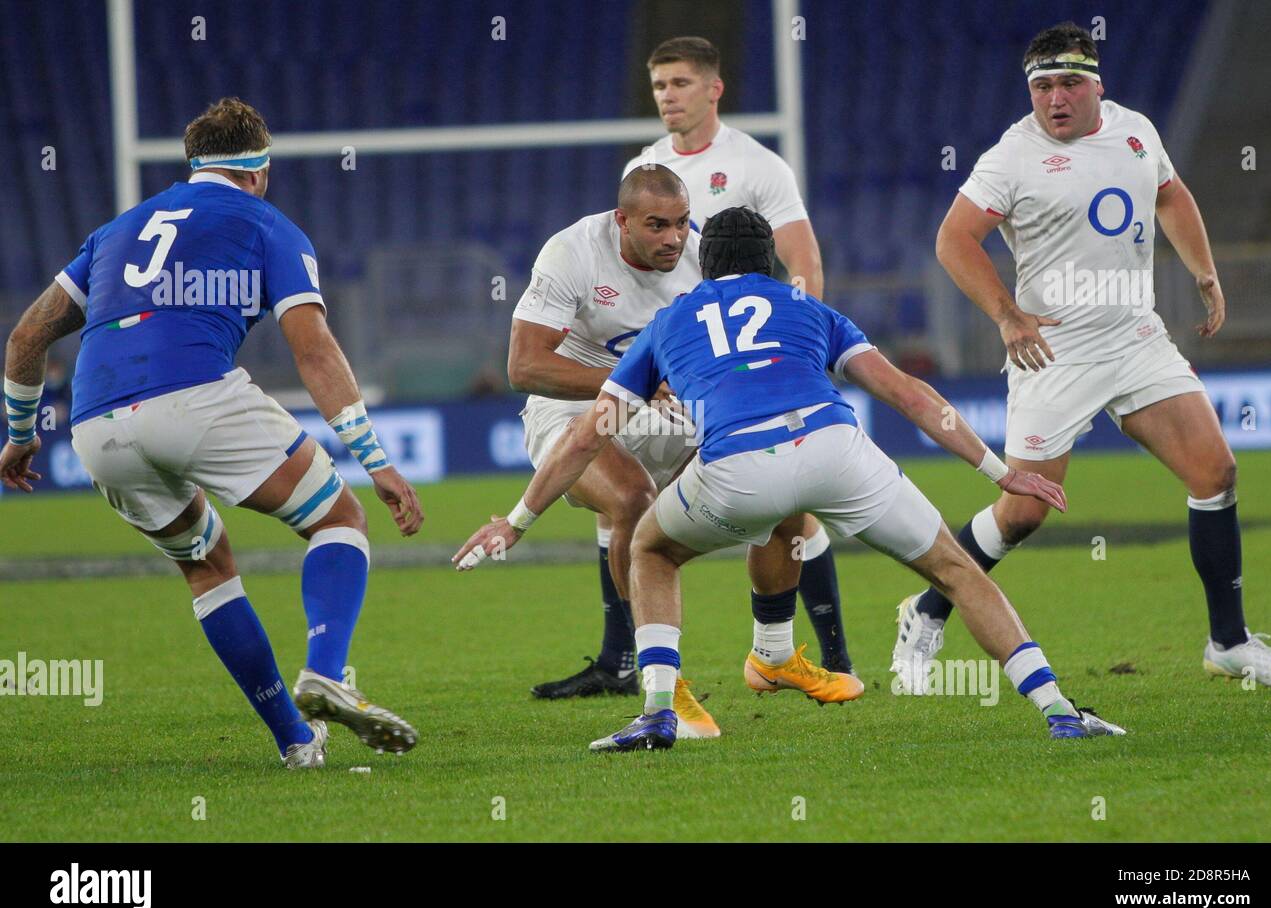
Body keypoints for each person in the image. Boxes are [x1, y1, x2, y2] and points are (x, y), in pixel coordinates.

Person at [456, 207, 1125, 751]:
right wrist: (1004, 472)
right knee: (956, 569)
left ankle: (659, 709)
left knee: (651, 548)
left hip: (738, 467)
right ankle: (1059, 707)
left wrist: (516, 520)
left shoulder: (669, 321)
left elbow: (587, 432)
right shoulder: (811, 309)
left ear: (703, 259)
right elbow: (910, 395)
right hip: (838, 452)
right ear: (771, 259)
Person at [0, 98, 425, 768]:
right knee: (338, 519)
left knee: (206, 566)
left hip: (93, 424)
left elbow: (26, 336)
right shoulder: (266, 222)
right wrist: (377, 462)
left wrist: (20, 434)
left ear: (194, 164)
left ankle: (295, 742)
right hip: (192, 393)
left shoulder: (117, 230)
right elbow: (313, 349)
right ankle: (325, 671)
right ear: (257, 170)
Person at [891, 22, 1271, 690]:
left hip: (1135, 337)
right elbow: (954, 239)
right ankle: (928, 606)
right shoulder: (1010, 157)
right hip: (1054, 351)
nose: (1055, 98)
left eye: (1068, 84)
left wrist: (1203, 271)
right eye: (1042, 86)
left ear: (1097, 85)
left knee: (1215, 471)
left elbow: (1170, 193)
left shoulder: (1135, 131)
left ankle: (1229, 641)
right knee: (1023, 510)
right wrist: (1007, 315)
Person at [623, 35, 854, 675]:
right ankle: (625, 661)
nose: (667, 96)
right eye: (659, 85)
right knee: (626, 497)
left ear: (714, 88)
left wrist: (797, 352)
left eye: (680, 83)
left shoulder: (756, 167)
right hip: (673, 368)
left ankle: (826, 655)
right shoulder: (644, 169)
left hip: (740, 370)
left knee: (788, 508)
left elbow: (802, 262)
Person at [505, 164, 720, 737]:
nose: (673, 238)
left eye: (681, 223)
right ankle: (657, 678)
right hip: (568, 408)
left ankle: (781, 655)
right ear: (621, 221)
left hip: (658, 404)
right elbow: (525, 366)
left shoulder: (701, 260)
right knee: (630, 499)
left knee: (772, 476)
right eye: (657, 226)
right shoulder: (572, 252)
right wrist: (630, 383)